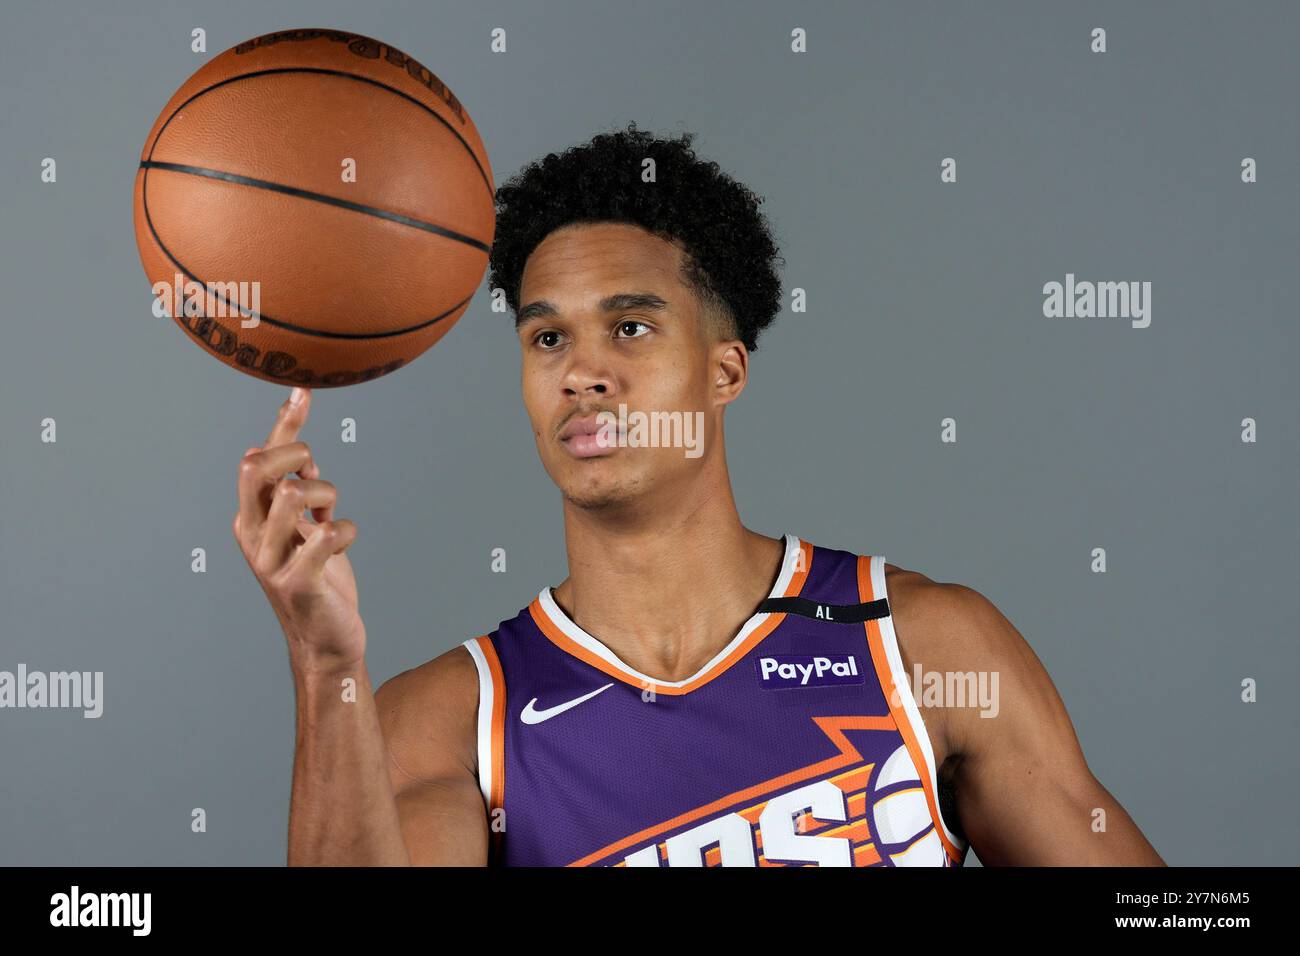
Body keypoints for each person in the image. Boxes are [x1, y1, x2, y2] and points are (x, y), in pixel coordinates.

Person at [233, 124, 1164, 867]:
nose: (582, 374)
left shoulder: (920, 647)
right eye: (546, 339)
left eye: (630, 327)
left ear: (725, 371)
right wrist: (324, 666)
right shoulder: (452, 718)